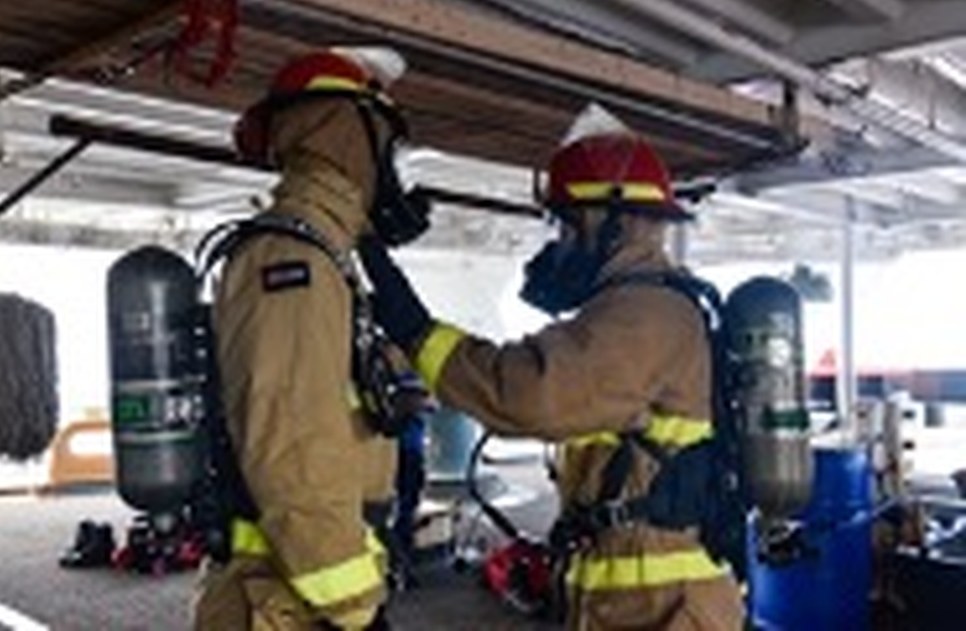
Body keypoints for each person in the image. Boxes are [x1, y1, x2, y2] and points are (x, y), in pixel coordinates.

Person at [358, 104, 745, 630]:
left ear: (618, 220)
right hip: (634, 600)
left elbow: (528, 393)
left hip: (664, 609)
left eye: (566, 224)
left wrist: (416, 331)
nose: (558, 243)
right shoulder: (625, 310)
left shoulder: (646, 313)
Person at [194, 46, 428, 631]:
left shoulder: (329, 256)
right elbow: (291, 441)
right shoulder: (291, 256)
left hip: (305, 589)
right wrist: (352, 604)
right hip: (295, 597)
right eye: (384, 142)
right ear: (349, 133)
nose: (390, 167)